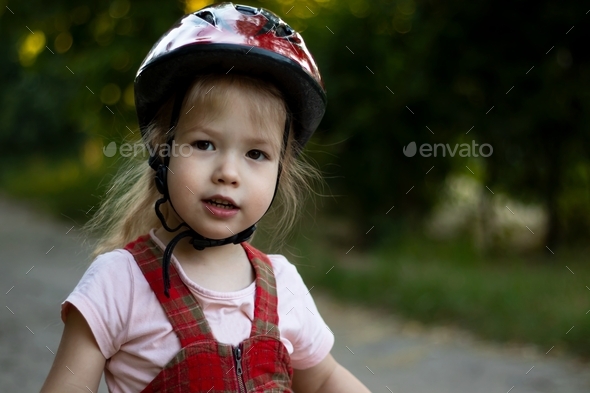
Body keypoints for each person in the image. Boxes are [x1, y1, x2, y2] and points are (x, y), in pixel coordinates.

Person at [41, 3, 371, 392]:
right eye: (204, 144)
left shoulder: (284, 287)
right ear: (164, 150)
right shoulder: (118, 283)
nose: (228, 173)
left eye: (256, 154)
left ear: (281, 171)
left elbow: (322, 381)